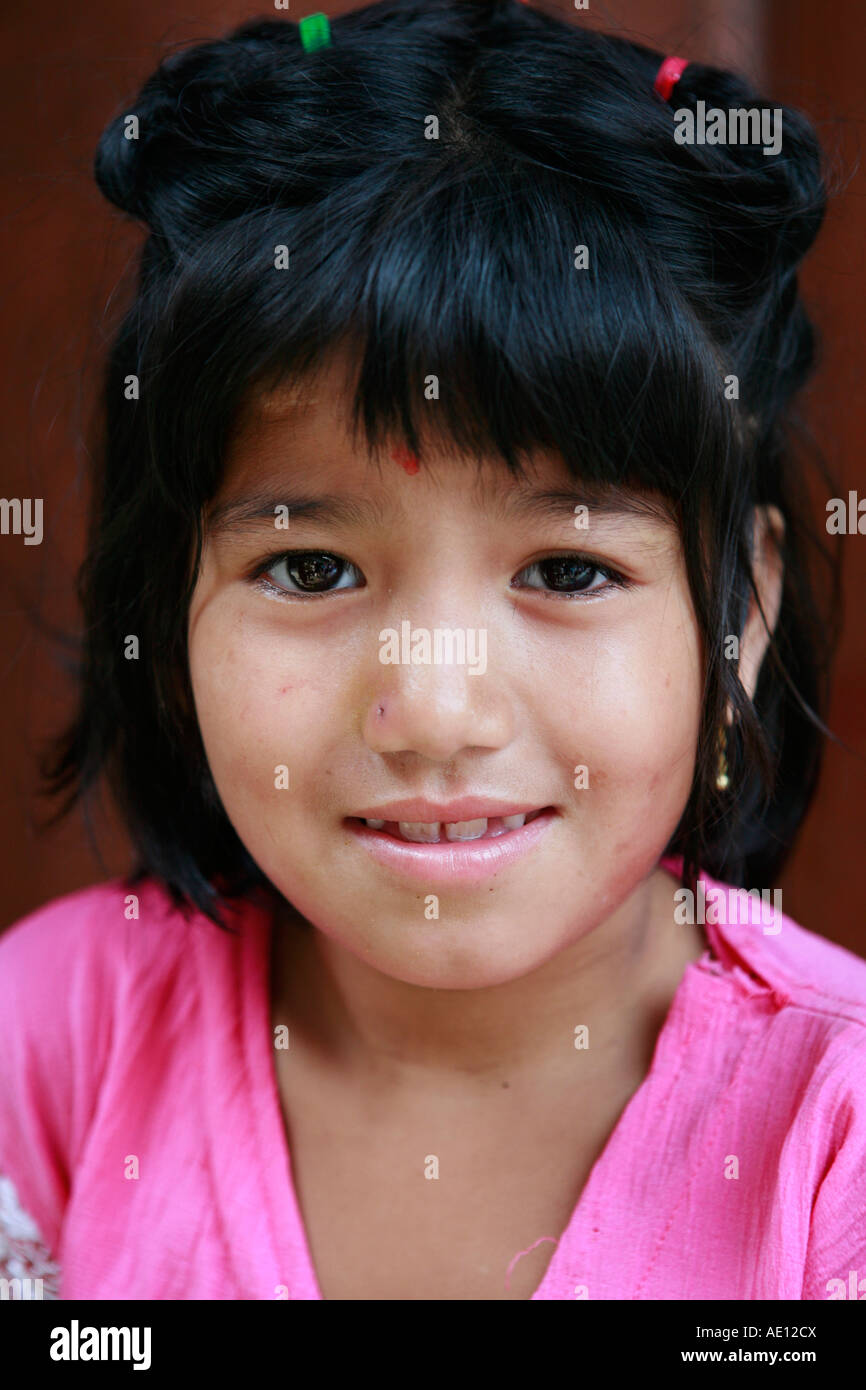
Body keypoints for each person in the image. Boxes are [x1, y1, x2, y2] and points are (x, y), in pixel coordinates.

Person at [1, 0, 864, 1301]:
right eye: (309, 567)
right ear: (171, 603)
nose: (435, 711)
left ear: (735, 612)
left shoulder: (831, 1138)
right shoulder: (50, 1040)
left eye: (567, 569)